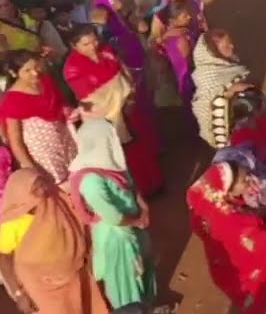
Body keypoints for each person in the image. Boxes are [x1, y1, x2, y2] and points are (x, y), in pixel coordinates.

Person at [187, 161, 266, 313]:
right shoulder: (236, 223)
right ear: (228, 190)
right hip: (256, 275)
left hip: (227, 271)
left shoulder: (207, 205)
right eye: (244, 180)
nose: (248, 181)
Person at [66, 117, 156, 311]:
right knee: (127, 281)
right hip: (117, 237)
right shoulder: (90, 180)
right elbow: (112, 217)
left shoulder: (111, 164)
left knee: (140, 272)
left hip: (132, 226)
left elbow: (131, 185)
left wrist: (143, 206)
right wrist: (137, 220)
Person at [62, 25, 164, 197]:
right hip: (105, 116)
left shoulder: (107, 51)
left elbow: (124, 72)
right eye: (86, 44)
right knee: (118, 153)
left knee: (139, 145)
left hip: (127, 107)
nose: (93, 46)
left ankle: (152, 184)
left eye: (95, 41)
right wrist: (117, 102)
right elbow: (91, 99)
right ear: (75, 46)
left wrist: (129, 94)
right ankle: (132, 192)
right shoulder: (73, 69)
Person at [0, 169, 109, 314]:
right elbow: (3, 258)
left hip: (75, 277)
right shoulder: (12, 223)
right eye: (36, 187)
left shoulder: (56, 203)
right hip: (42, 287)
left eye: (42, 184)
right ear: (21, 192)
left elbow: (79, 230)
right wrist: (19, 294)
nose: (42, 190)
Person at [0, 52, 78, 184]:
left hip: (65, 141)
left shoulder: (45, 80)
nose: (35, 73)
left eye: (36, 67)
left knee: (77, 174)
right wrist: (29, 166)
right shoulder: (12, 100)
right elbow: (15, 140)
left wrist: (67, 111)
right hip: (44, 154)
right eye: (27, 70)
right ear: (14, 73)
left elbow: (60, 102)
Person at [191, 30, 251, 148]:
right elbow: (208, 103)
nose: (232, 46)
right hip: (225, 135)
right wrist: (228, 92)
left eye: (231, 43)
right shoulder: (208, 74)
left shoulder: (229, 64)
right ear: (213, 51)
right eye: (226, 45)